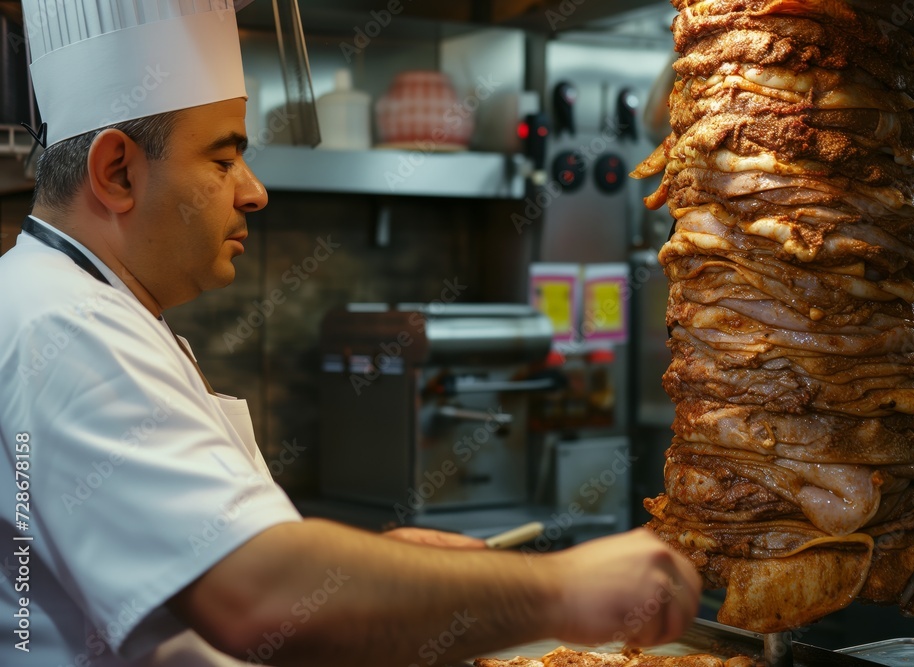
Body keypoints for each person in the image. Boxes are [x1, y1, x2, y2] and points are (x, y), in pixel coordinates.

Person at [0, 2, 701, 666]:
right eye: (222, 159)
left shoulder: (83, 307)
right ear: (117, 170)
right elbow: (254, 596)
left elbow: (220, 568)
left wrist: (388, 569)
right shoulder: (65, 323)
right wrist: (562, 590)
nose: (254, 191)